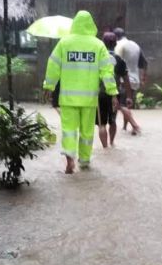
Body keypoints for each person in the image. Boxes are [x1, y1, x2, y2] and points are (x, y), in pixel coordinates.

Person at [42, 11, 119, 173]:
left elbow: (53, 65)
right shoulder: (98, 45)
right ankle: (84, 161)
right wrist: (113, 93)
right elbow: (107, 72)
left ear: (75, 24)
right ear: (91, 25)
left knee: (69, 130)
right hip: (89, 99)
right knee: (86, 132)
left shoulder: (64, 43)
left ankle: (70, 158)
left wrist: (49, 86)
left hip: (68, 98)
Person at [97, 32, 132, 148]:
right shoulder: (119, 60)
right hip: (114, 95)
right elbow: (126, 79)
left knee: (102, 124)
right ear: (116, 44)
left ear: (103, 43)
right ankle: (111, 144)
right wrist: (129, 96)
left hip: (100, 94)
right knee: (112, 121)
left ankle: (105, 148)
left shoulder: (98, 58)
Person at [113, 27, 146, 134]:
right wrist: (143, 77)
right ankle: (124, 127)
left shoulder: (119, 45)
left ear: (116, 37)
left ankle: (135, 126)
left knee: (121, 105)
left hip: (124, 79)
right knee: (127, 104)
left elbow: (116, 63)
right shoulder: (135, 45)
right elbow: (144, 63)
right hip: (135, 79)